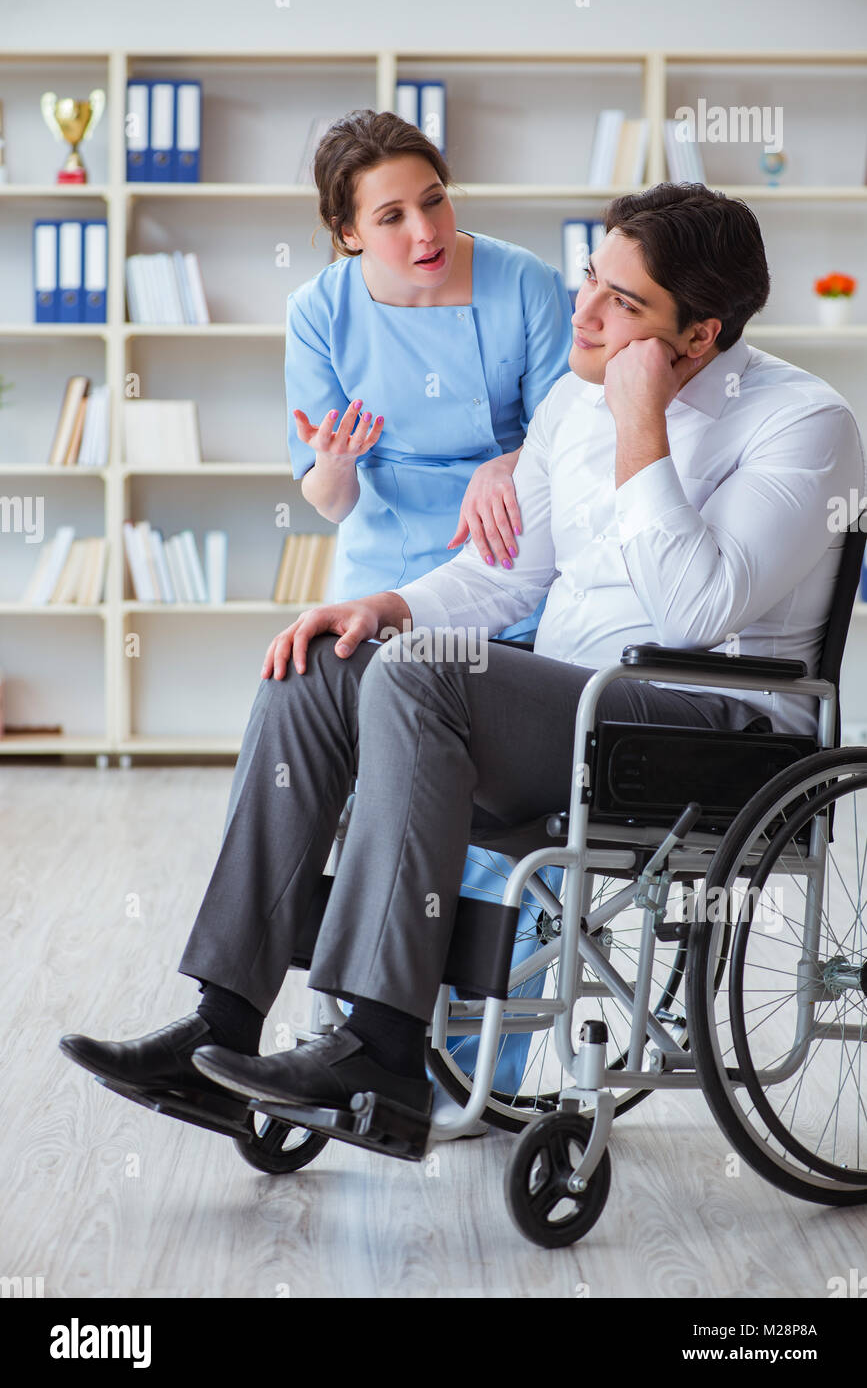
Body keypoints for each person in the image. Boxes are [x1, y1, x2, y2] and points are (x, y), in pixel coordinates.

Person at [60, 182, 865, 1130]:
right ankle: (221, 1025)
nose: (587, 312)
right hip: (572, 708)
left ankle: (382, 1053)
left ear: (699, 335)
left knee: (425, 674)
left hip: (706, 727)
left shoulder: (805, 424)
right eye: (589, 281)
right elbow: (506, 577)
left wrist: (640, 424)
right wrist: (383, 604)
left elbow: (695, 607)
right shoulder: (575, 397)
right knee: (324, 664)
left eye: (624, 303)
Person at [283, 109, 573, 1098]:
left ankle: (479, 1068)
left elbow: (574, 445)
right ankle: (363, 1033)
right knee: (376, 810)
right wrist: (333, 465)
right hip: (378, 578)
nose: (426, 231)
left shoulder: (527, 285)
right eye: (394, 213)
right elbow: (327, 499)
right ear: (350, 231)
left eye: (436, 199)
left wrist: (510, 457)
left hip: (504, 568)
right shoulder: (320, 311)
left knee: (494, 832)